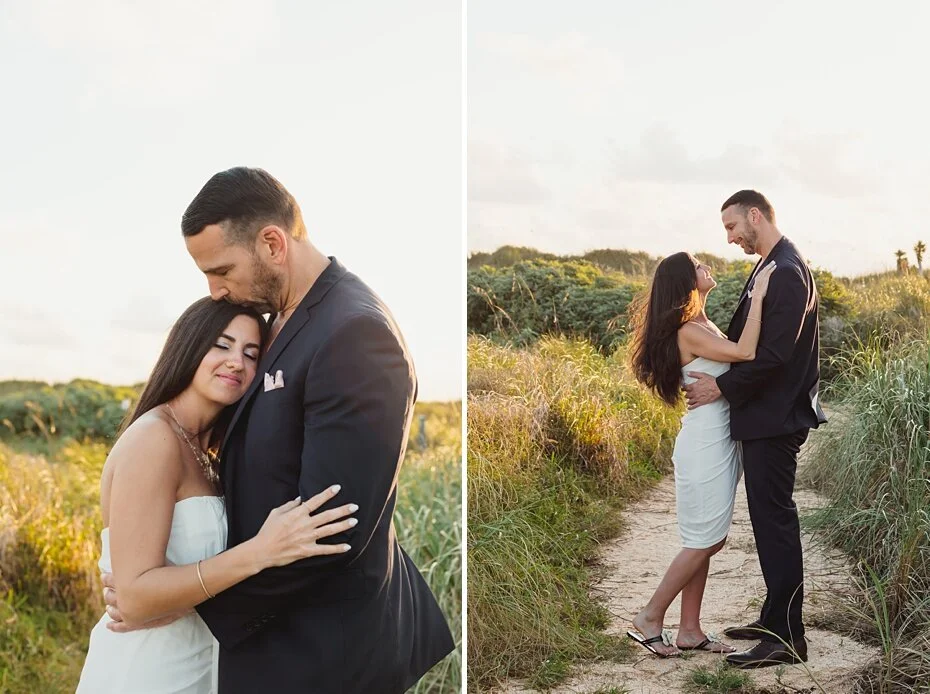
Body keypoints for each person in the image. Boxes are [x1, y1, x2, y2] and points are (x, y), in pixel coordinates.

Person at [104, 167, 455, 692]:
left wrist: (184, 608)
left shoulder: (353, 331)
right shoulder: (277, 323)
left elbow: (335, 528)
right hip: (269, 647)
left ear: (272, 243)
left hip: (320, 654)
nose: (215, 292)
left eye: (221, 270)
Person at [77, 297, 356, 693]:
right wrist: (260, 552)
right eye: (221, 345)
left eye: (251, 353)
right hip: (149, 671)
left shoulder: (213, 452)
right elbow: (136, 598)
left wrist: (187, 602)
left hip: (203, 664)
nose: (236, 363)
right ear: (188, 346)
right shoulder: (154, 439)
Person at [684, 190, 828, 669]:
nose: (729, 239)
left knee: (776, 526)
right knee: (769, 525)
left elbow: (774, 355)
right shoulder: (772, 264)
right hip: (766, 417)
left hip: (775, 419)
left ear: (754, 215)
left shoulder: (785, 271)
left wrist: (720, 388)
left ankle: (788, 640)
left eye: (731, 227)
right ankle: (774, 621)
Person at [626, 251, 775, 658]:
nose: (705, 266)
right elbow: (746, 353)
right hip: (705, 444)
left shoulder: (702, 323)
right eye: (696, 265)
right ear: (684, 282)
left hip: (718, 441)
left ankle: (690, 629)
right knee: (706, 540)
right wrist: (759, 295)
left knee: (706, 538)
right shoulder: (688, 330)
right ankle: (650, 617)